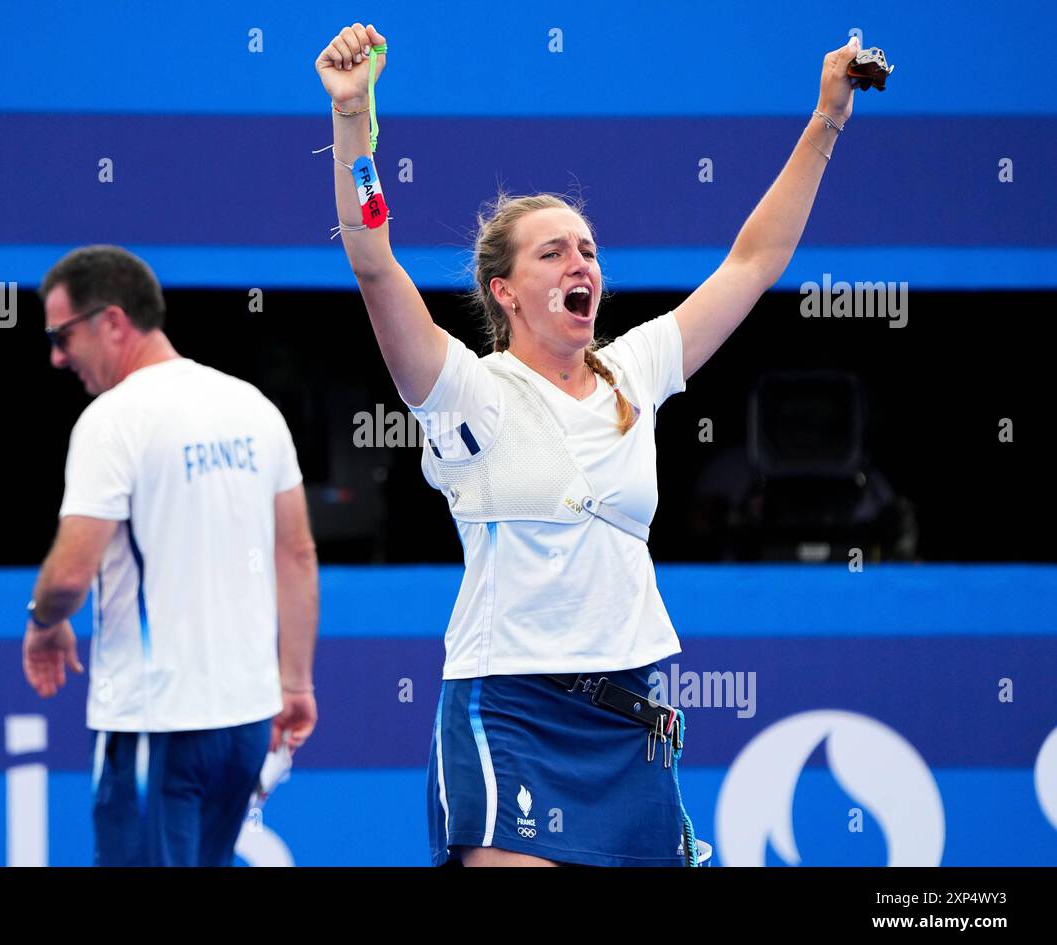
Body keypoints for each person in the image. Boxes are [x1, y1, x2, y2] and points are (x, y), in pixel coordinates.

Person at [314, 24, 859, 866]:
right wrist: (356, 120)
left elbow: (753, 262)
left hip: (629, 713)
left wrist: (826, 118)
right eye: (555, 251)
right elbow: (374, 262)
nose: (584, 262)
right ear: (506, 290)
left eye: (590, 249)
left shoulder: (633, 372)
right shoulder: (466, 390)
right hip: (511, 708)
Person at [20, 245, 319, 866]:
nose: (56, 355)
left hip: (159, 722)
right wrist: (295, 682)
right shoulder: (253, 408)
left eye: (61, 334)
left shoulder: (112, 420)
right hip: (244, 725)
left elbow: (71, 575)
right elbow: (296, 554)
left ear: (111, 320)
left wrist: (43, 622)